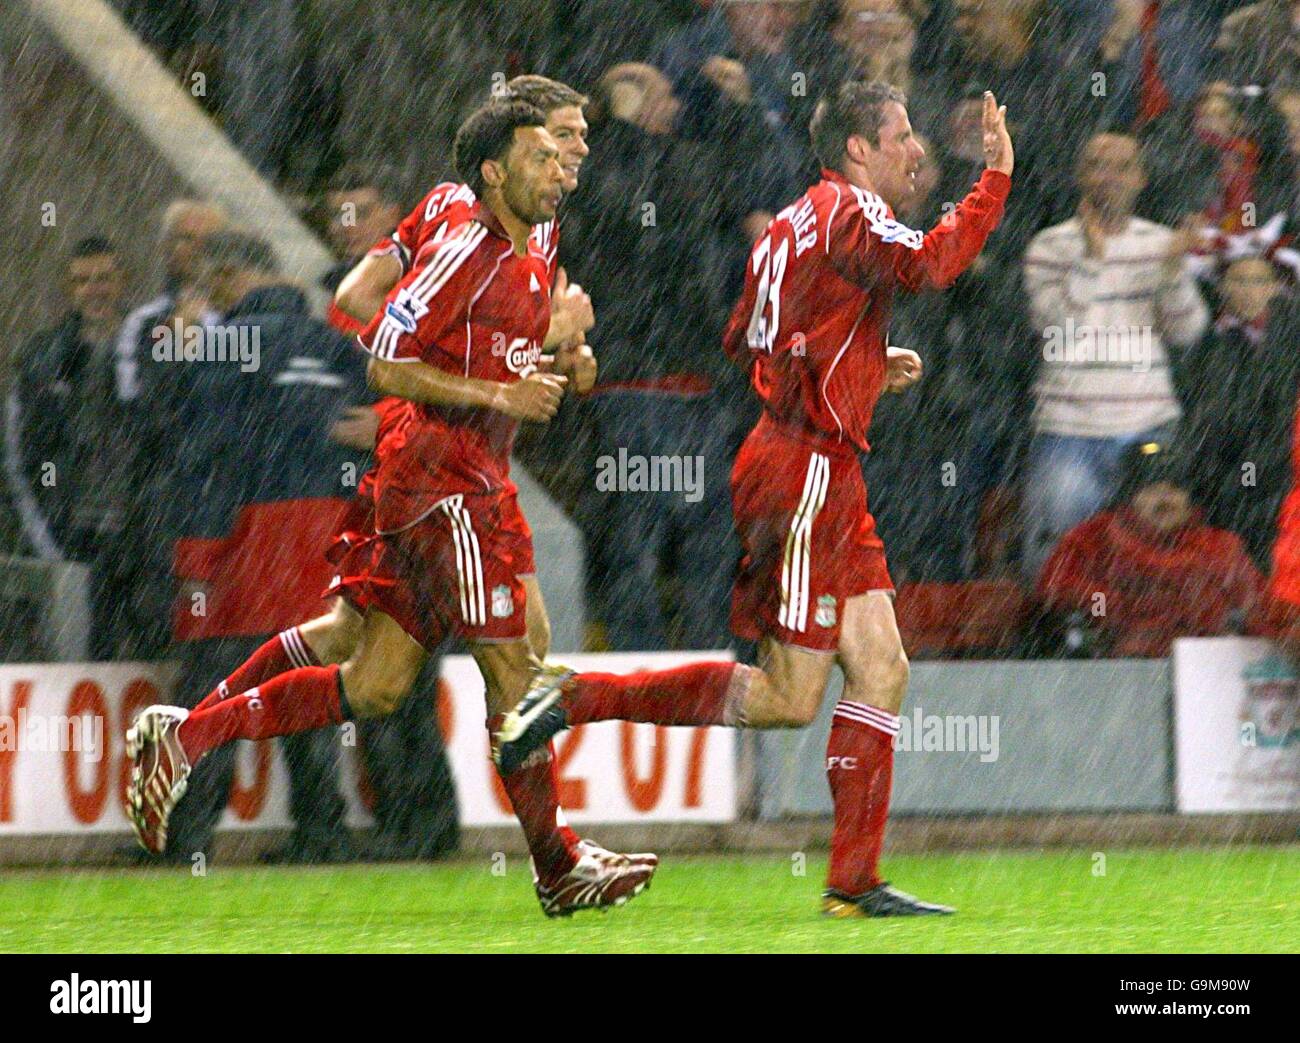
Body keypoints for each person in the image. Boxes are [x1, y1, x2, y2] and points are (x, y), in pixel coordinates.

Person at [495, 81, 1014, 918]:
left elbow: (748, 336)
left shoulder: (788, 222)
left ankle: (854, 881)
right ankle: (575, 696)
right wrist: (993, 179)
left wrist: (860, 365)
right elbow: (932, 263)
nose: (916, 150)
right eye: (902, 135)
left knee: (882, 667)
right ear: (857, 149)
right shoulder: (853, 210)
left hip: (814, 461)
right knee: (787, 697)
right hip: (805, 470)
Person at [125, 99, 656, 917]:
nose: (569, 161)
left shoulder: (538, 235)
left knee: (370, 678)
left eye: (571, 148)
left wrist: (565, 353)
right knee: (520, 665)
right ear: (499, 163)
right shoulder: (460, 244)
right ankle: (557, 862)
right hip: (446, 478)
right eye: (556, 145)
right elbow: (379, 349)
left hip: (453, 469)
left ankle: (189, 735)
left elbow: (513, 341)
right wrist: (490, 384)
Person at [153, 231, 370, 864]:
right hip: (330, 547)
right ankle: (321, 833)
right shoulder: (336, 347)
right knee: (305, 689)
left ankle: (187, 839)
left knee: (216, 696)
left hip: (250, 546)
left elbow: (202, 461)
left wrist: (194, 563)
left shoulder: (220, 349)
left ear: (227, 279)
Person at [1021, 132, 1208, 579]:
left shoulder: (1163, 243)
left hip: (1149, 426)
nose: (1110, 177)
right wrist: (1091, 259)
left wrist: (1172, 273)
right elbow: (1053, 329)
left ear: (1141, 179)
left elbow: (1187, 331)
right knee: (1056, 564)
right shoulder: (1048, 246)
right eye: (1097, 165)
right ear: (1080, 176)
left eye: (1122, 167)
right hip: (1069, 431)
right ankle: (1059, 643)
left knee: (1159, 562)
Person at [2, 236, 168, 660]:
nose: (95, 290)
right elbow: (19, 459)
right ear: (69, 289)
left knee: (159, 665)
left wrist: (160, 526)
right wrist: (47, 538)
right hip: (74, 540)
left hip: (143, 539)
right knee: (85, 665)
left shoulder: (153, 350)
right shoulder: (43, 357)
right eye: (82, 281)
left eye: (104, 278)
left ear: (123, 282)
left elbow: (171, 440)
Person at [1037, 440, 1262, 658]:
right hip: (1119, 661)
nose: (1164, 498)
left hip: (1205, 662)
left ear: (1190, 499)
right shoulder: (1096, 536)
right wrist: (1105, 605)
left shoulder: (1220, 546)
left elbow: (1257, 603)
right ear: (1130, 497)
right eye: (1151, 489)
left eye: (1175, 489)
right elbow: (1054, 584)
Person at [1179, 255, 1300, 566]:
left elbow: (1283, 411)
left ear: (1274, 288)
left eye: (1258, 281)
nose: (1248, 290)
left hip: (1273, 474)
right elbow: (1195, 410)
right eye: (1239, 280)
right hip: (1212, 474)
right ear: (1222, 286)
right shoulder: (1200, 336)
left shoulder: (1290, 339)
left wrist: (1258, 467)